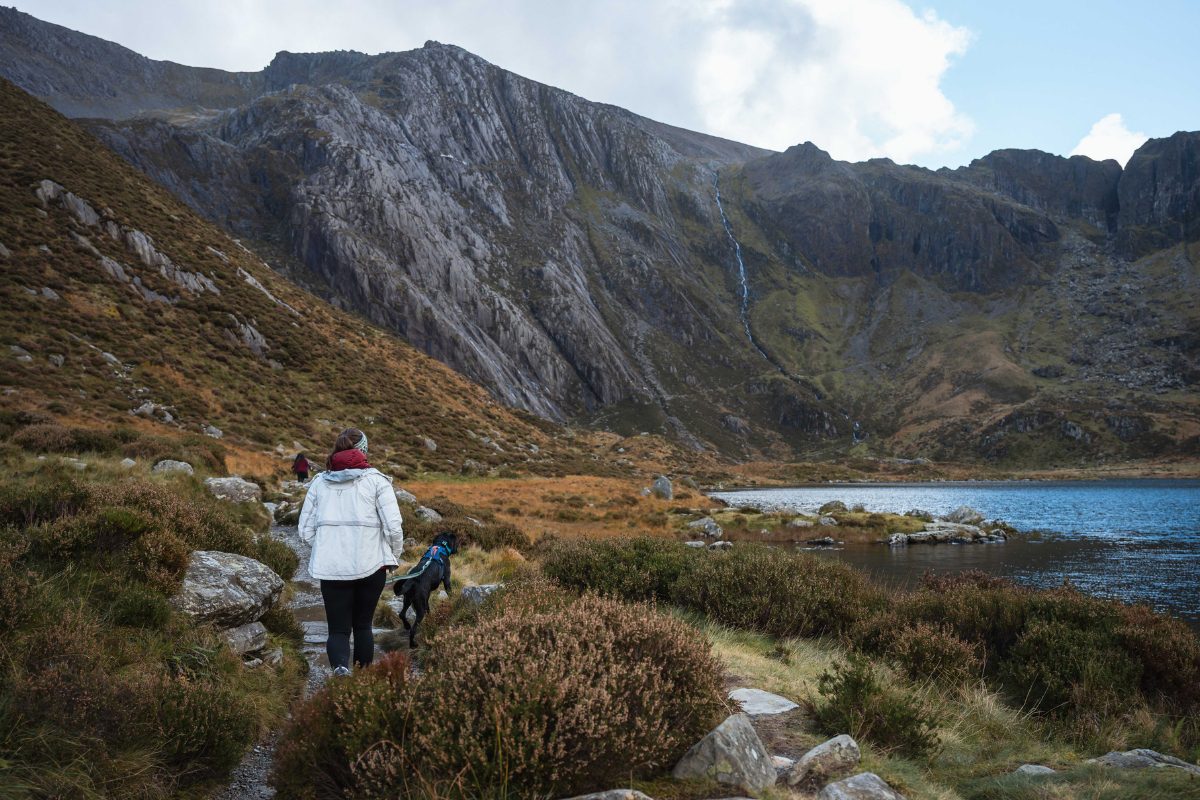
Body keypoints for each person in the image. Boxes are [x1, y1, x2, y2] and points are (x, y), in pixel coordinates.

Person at [297, 428, 403, 676]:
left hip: (331, 567)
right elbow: (394, 528)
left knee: (338, 629)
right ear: (363, 451)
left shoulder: (319, 482)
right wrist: (392, 556)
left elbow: (304, 529)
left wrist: (326, 547)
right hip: (372, 565)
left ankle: (341, 670)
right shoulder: (377, 481)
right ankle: (362, 680)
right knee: (363, 625)